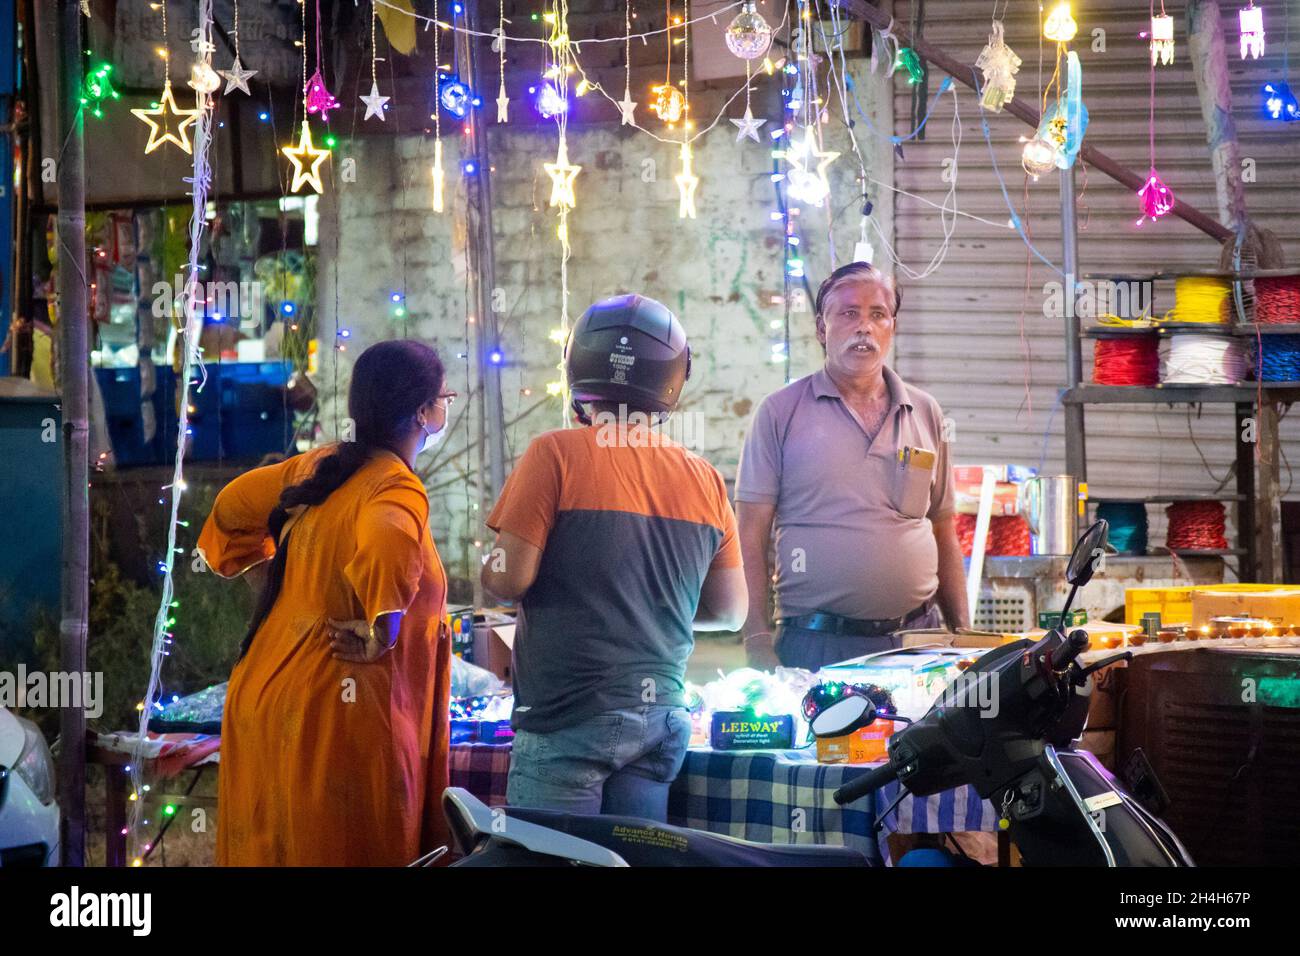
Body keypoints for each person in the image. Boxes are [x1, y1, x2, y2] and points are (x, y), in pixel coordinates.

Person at [482, 294, 747, 822]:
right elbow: (729, 612)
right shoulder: (705, 479)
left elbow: (507, 580)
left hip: (567, 719)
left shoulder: (554, 454)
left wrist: (489, 556)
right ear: (674, 375)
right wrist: (646, 602)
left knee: (552, 866)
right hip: (660, 722)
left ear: (577, 364)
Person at [197, 340, 456, 865]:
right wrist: (385, 628)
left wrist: (279, 580)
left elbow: (230, 505)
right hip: (336, 712)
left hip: (264, 696)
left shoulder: (320, 467)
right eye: (444, 397)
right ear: (425, 413)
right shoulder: (396, 487)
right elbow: (388, 540)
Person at [736, 262, 969, 672]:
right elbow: (750, 535)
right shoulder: (779, 413)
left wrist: (962, 632)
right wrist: (756, 640)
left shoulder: (925, 411)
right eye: (848, 313)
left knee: (917, 738)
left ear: (891, 327)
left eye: (877, 314)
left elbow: (943, 527)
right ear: (822, 329)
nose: (864, 327)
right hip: (815, 645)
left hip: (917, 644)